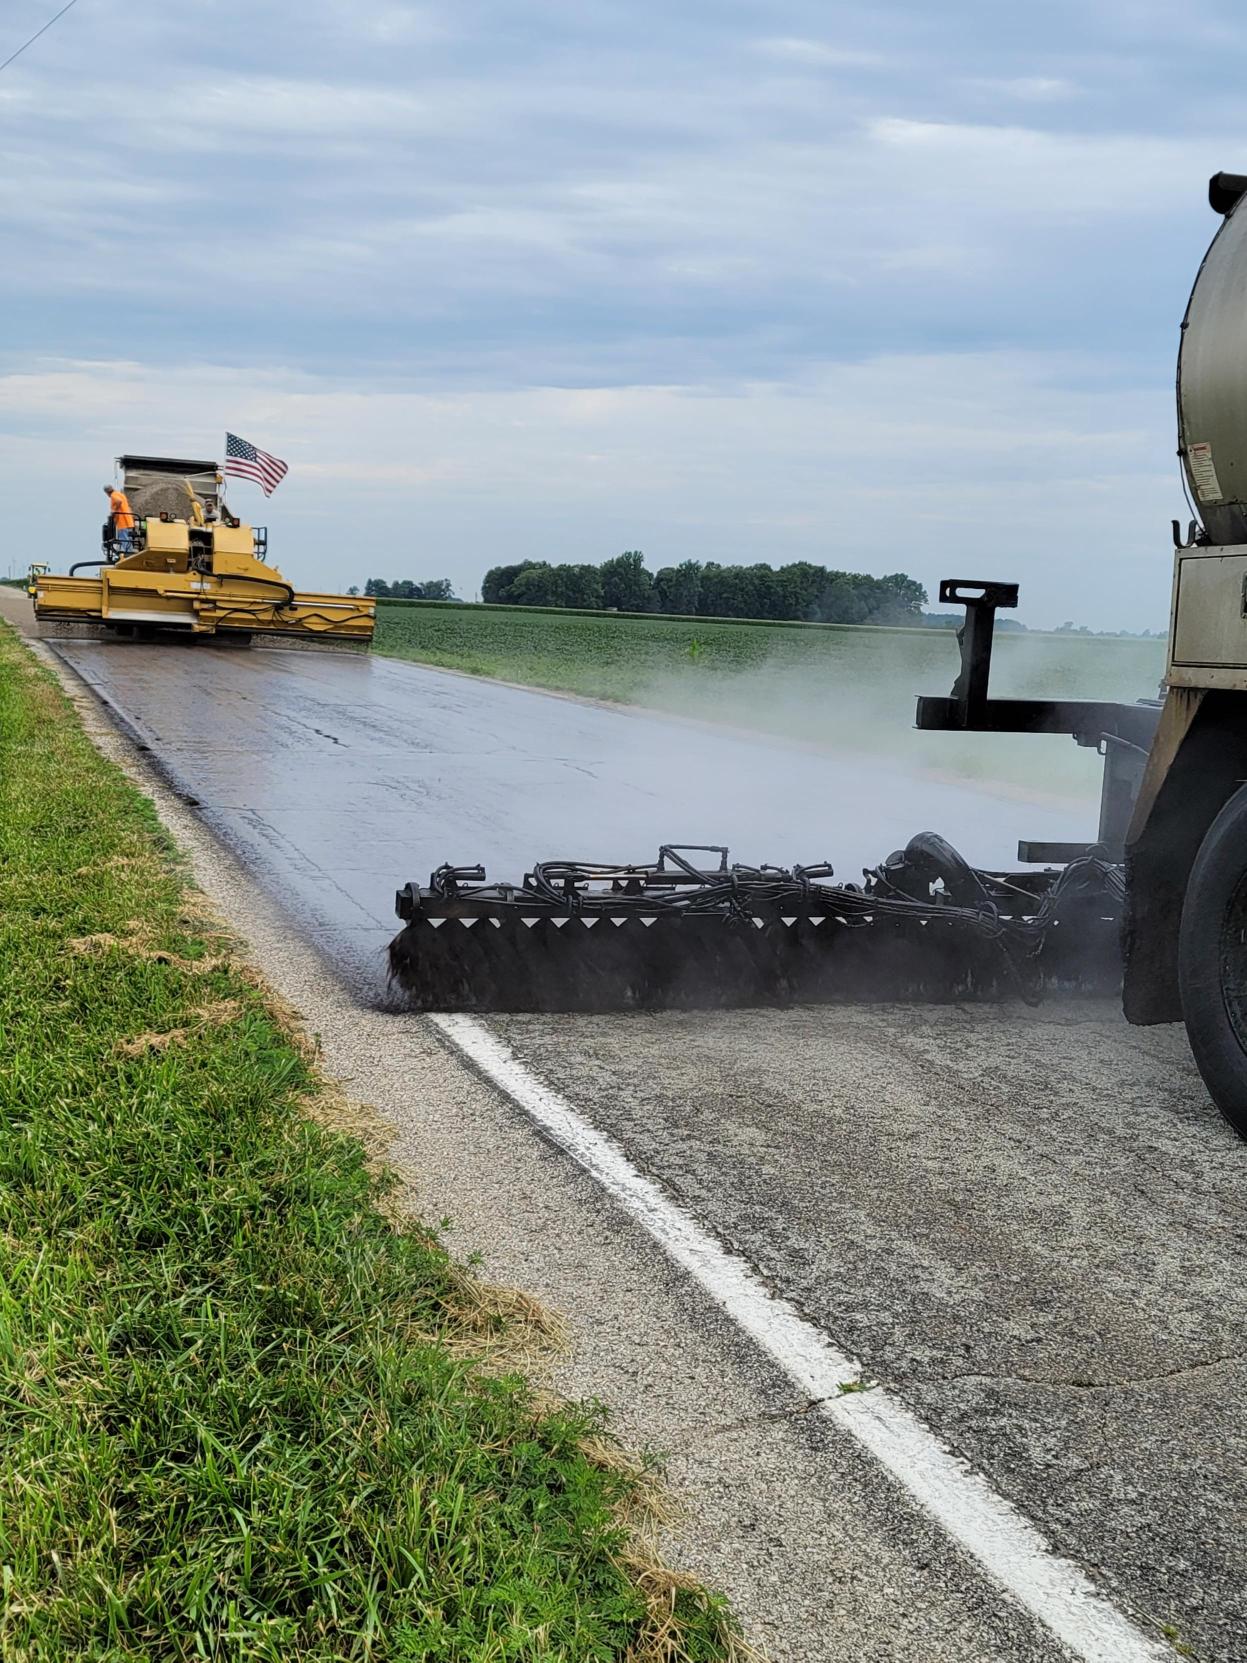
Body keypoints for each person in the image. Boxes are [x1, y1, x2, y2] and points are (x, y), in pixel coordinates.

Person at [104, 483, 135, 553]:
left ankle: (128, 552)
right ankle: (130, 550)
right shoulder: (120, 494)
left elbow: (119, 501)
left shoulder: (113, 495)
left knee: (123, 537)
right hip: (127, 519)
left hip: (122, 520)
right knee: (128, 537)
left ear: (107, 492)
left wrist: (114, 511)